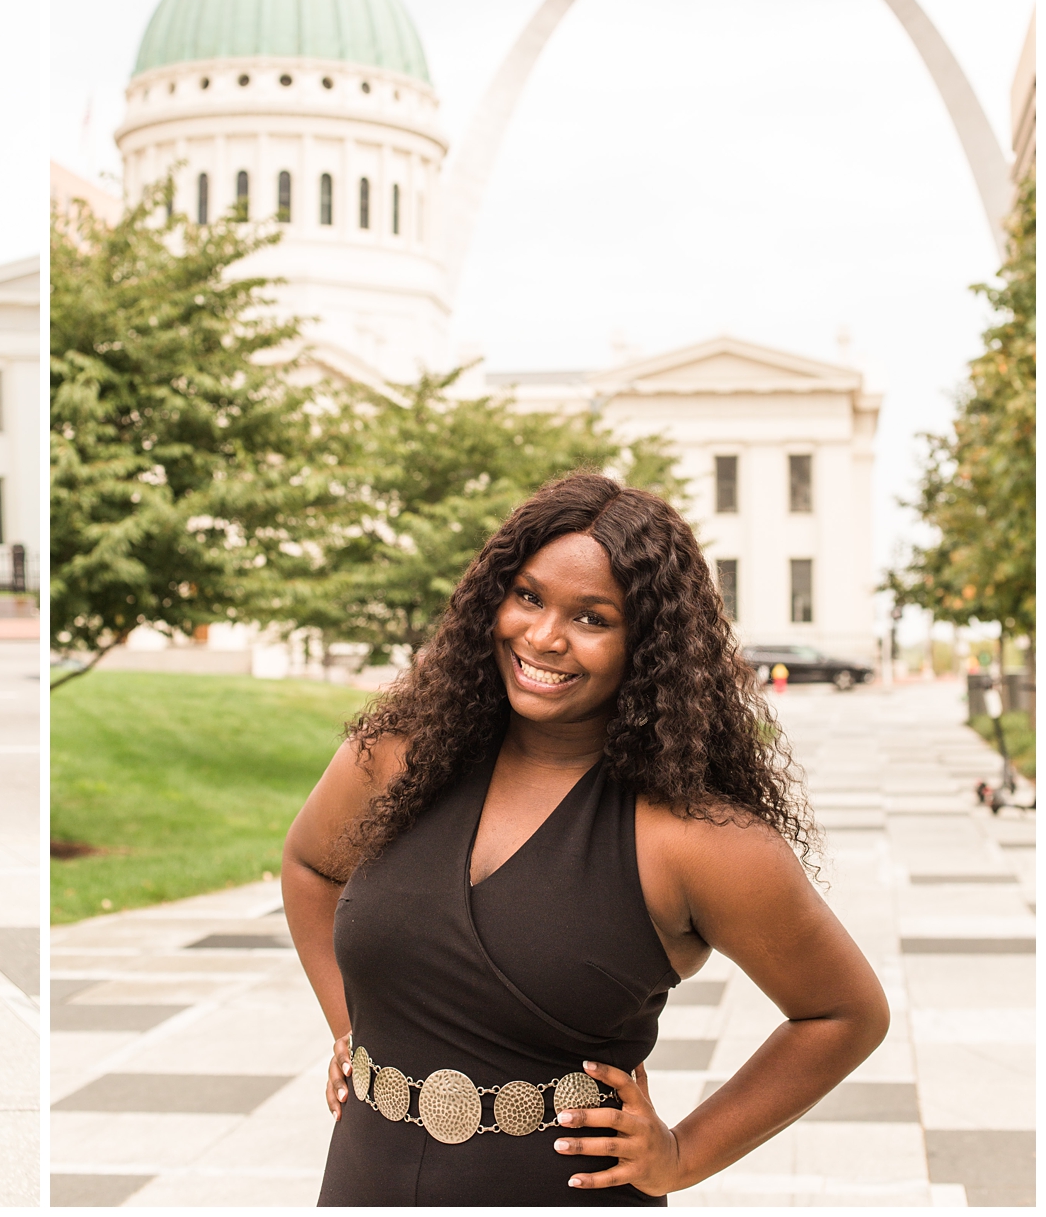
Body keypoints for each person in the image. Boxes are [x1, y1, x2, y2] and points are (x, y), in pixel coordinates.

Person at [282, 473, 887, 1205]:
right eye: (528, 595)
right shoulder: (399, 756)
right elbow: (311, 865)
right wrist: (354, 1030)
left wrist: (683, 1152)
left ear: (650, 645)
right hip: (365, 1181)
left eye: (593, 617)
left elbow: (844, 1012)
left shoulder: (692, 839)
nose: (543, 636)